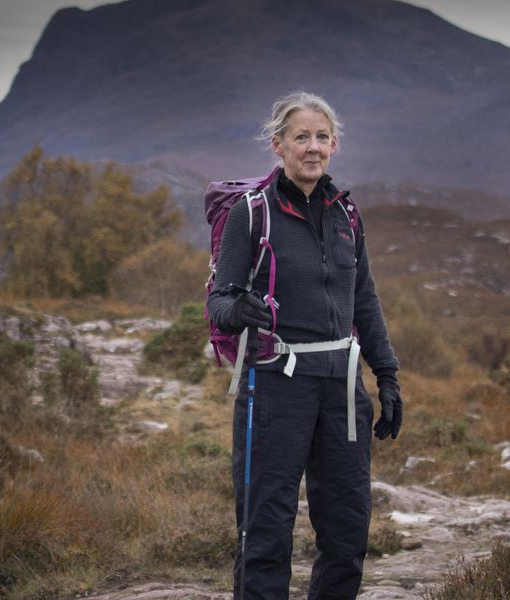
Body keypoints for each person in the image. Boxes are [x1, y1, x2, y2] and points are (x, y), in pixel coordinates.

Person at [206, 91, 402, 599]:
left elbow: (364, 298)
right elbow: (219, 301)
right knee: (265, 529)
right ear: (279, 145)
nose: (312, 147)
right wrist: (239, 309)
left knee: (347, 530)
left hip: (342, 389)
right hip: (274, 387)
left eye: (321, 137)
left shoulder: (347, 215)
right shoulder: (252, 214)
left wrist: (388, 376)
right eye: (301, 137)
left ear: (334, 144)